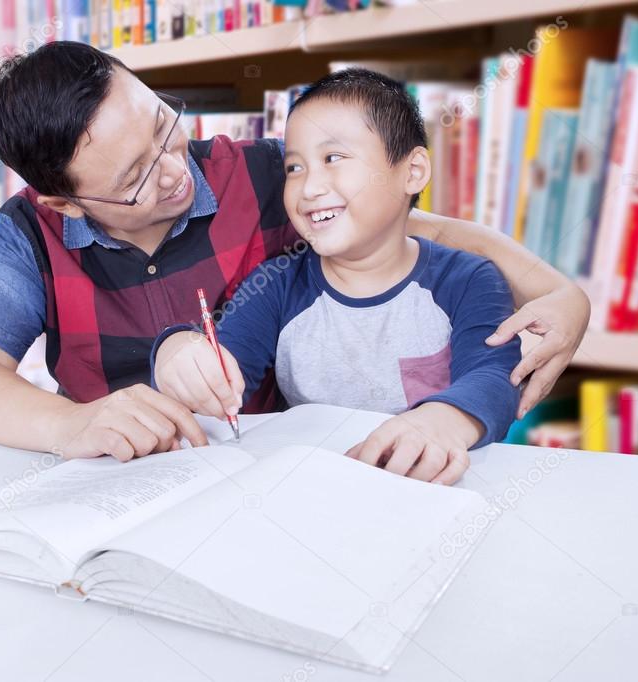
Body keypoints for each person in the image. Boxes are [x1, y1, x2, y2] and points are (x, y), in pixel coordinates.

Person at [0, 42, 590, 463]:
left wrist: (560, 293)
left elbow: (421, 233)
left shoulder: (267, 174)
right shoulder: (27, 233)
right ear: (62, 203)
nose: (173, 170)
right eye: (134, 178)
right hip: (121, 481)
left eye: (162, 124)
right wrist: (70, 427)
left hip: (273, 474)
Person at [153, 68, 521, 484]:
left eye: (333, 158)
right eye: (294, 168)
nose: (309, 188)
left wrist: (441, 422)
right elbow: (224, 365)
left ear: (413, 171)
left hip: (441, 489)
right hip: (319, 493)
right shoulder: (274, 286)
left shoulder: (470, 279)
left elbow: (495, 375)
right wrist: (183, 356)